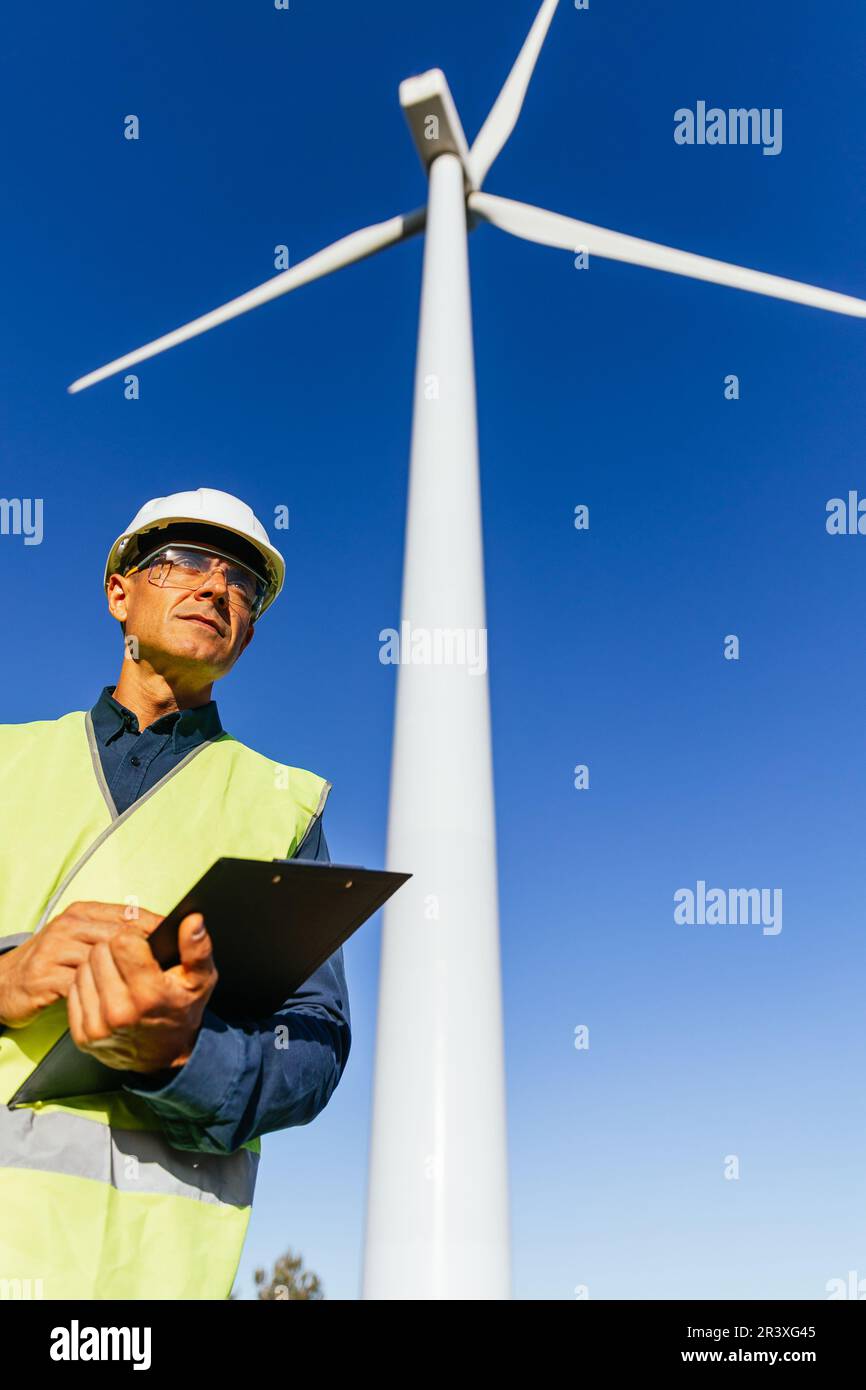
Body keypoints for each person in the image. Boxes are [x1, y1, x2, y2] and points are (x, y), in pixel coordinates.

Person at [0, 486, 351, 1300]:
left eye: (241, 582)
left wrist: (185, 1057)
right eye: (183, 559)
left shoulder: (282, 806)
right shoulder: (7, 766)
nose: (214, 586)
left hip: (157, 1279)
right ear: (119, 591)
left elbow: (316, 1044)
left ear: (251, 628)